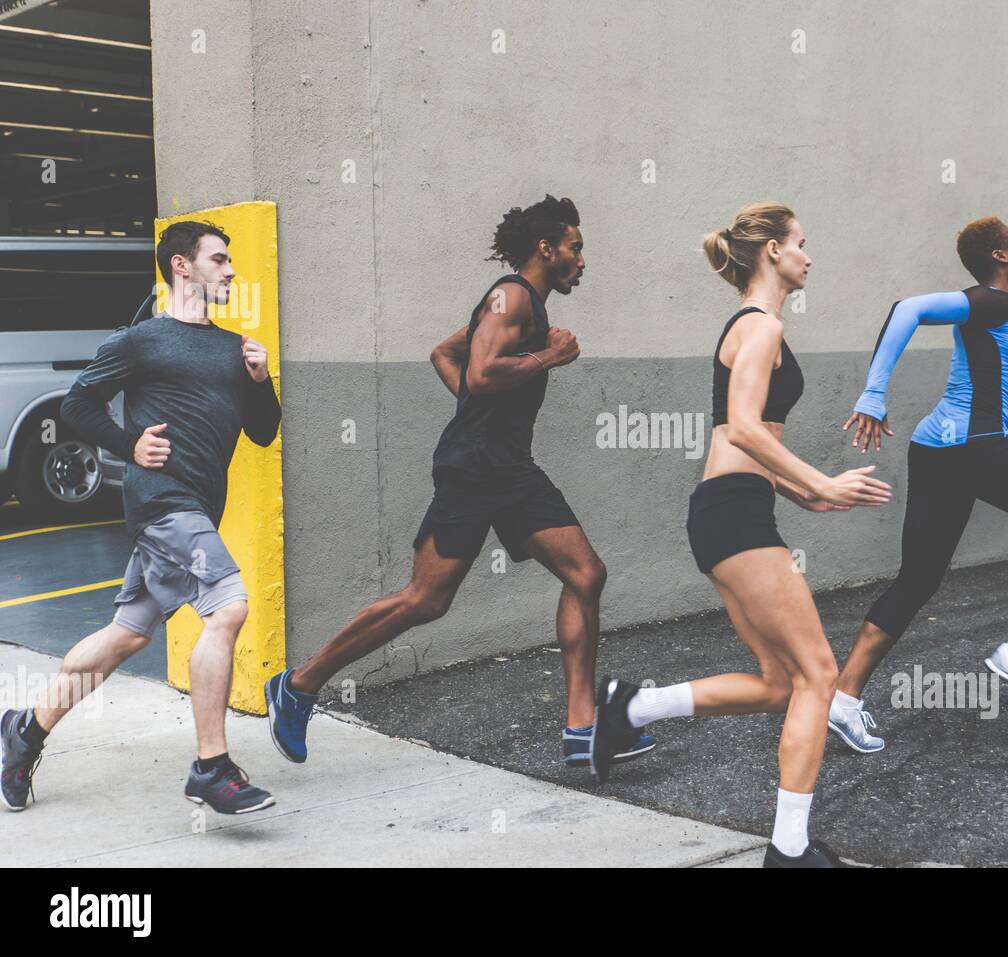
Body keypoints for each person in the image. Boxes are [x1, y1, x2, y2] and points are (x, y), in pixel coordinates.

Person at [264, 195, 655, 770]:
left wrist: (478, 409)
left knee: (585, 573)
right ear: (546, 249)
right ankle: (298, 684)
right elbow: (477, 370)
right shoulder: (512, 296)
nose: (582, 260)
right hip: (475, 469)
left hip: (508, 466)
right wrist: (548, 357)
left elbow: (443, 353)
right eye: (575, 248)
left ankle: (582, 727)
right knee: (426, 599)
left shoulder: (520, 302)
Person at [592, 203, 891, 868]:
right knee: (820, 674)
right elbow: (744, 427)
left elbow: (747, 444)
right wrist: (820, 481)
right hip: (732, 513)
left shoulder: (764, 327)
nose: (809, 256)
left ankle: (631, 706)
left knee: (782, 683)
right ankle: (788, 851)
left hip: (733, 507)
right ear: (772, 253)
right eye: (801, 244)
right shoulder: (758, 327)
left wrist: (803, 494)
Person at [1, 220, 283, 814]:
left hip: (197, 506)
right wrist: (128, 444)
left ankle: (26, 729)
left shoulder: (235, 347)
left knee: (126, 636)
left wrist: (261, 380)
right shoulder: (141, 341)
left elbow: (262, 431)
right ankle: (211, 768)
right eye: (220, 259)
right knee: (229, 605)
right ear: (182, 267)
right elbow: (77, 403)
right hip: (162, 501)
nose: (231, 271)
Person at [832, 216, 1008, 755]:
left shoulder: (1006, 320)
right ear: (1000, 258)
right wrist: (872, 392)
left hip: (941, 451)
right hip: (975, 448)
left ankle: (842, 699)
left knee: (918, 580)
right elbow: (907, 309)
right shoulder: (993, 302)